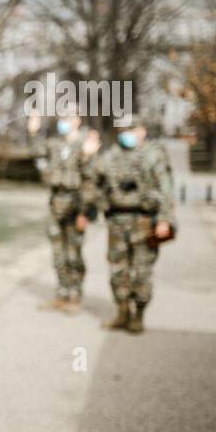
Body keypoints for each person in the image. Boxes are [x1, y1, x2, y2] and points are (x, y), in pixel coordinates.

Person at [87, 122, 175, 334]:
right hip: (117, 222)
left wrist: (164, 219)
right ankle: (122, 312)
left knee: (142, 271)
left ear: (142, 131)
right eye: (124, 130)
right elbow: (92, 179)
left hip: (144, 222)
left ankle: (139, 315)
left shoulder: (153, 156)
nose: (127, 134)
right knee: (118, 270)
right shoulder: (110, 157)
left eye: (132, 130)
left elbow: (166, 188)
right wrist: (89, 156)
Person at [30, 107, 97, 312]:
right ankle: (62, 293)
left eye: (67, 118)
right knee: (58, 252)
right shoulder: (55, 144)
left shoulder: (87, 143)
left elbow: (91, 180)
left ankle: (75, 295)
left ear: (77, 120)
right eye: (61, 118)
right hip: (56, 202)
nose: (63, 122)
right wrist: (34, 132)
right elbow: (39, 153)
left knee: (73, 252)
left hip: (77, 204)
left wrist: (86, 212)